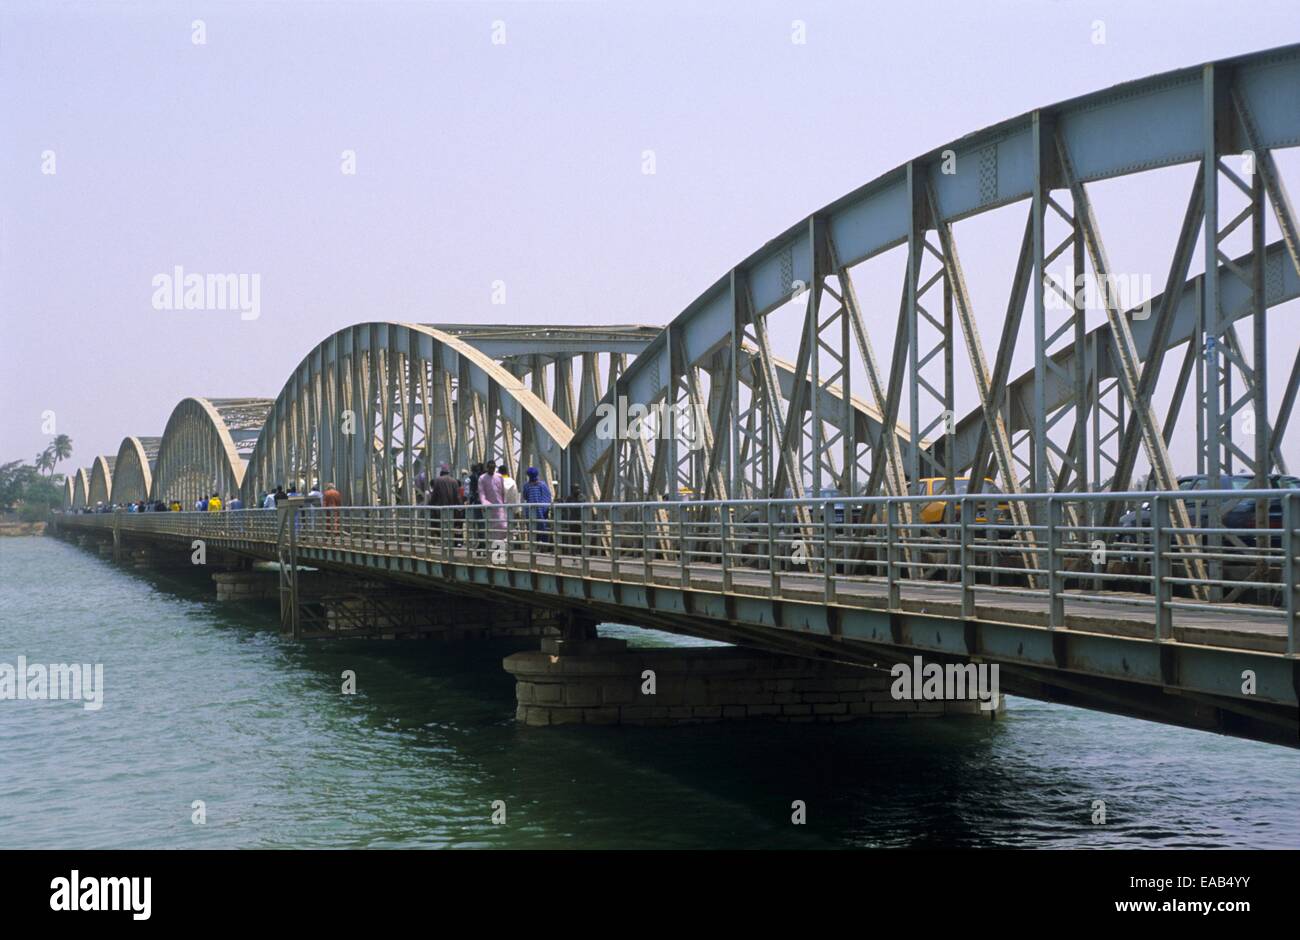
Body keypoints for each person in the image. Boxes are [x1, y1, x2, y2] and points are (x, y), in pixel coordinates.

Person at [477, 460, 507, 550]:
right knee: (490, 529)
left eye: (493, 468)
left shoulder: (499, 477)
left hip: (500, 507)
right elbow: (481, 494)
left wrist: (504, 504)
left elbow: (503, 492)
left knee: (502, 526)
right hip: (489, 508)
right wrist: (486, 504)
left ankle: (499, 550)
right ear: (487, 468)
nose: (491, 470)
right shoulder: (482, 478)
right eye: (490, 468)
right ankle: (492, 550)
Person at [521, 467, 552, 544]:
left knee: (532, 530)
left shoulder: (527, 486)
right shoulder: (542, 484)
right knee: (543, 528)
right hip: (541, 511)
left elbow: (525, 496)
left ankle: (535, 546)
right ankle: (544, 545)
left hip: (531, 511)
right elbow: (547, 497)